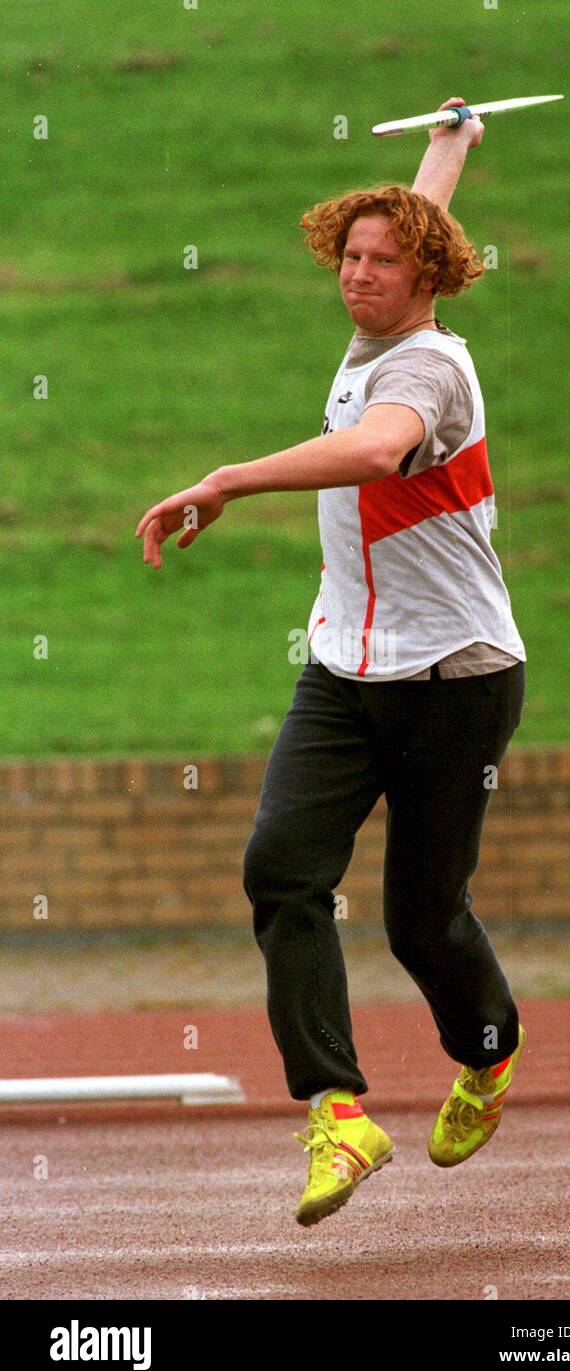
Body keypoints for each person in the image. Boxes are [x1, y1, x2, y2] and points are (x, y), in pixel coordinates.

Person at [135, 98, 527, 1229]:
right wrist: (451, 143)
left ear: (427, 281)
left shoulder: (432, 374)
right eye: (349, 256)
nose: (358, 275)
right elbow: (421, 222)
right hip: (345, 675)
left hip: (457, 680)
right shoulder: (373, 338)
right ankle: (341, 1112)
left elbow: (372, 449)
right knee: (281, 868)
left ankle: (489, 1056)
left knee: (421, 919)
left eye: (382, 262)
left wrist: (227, 477)